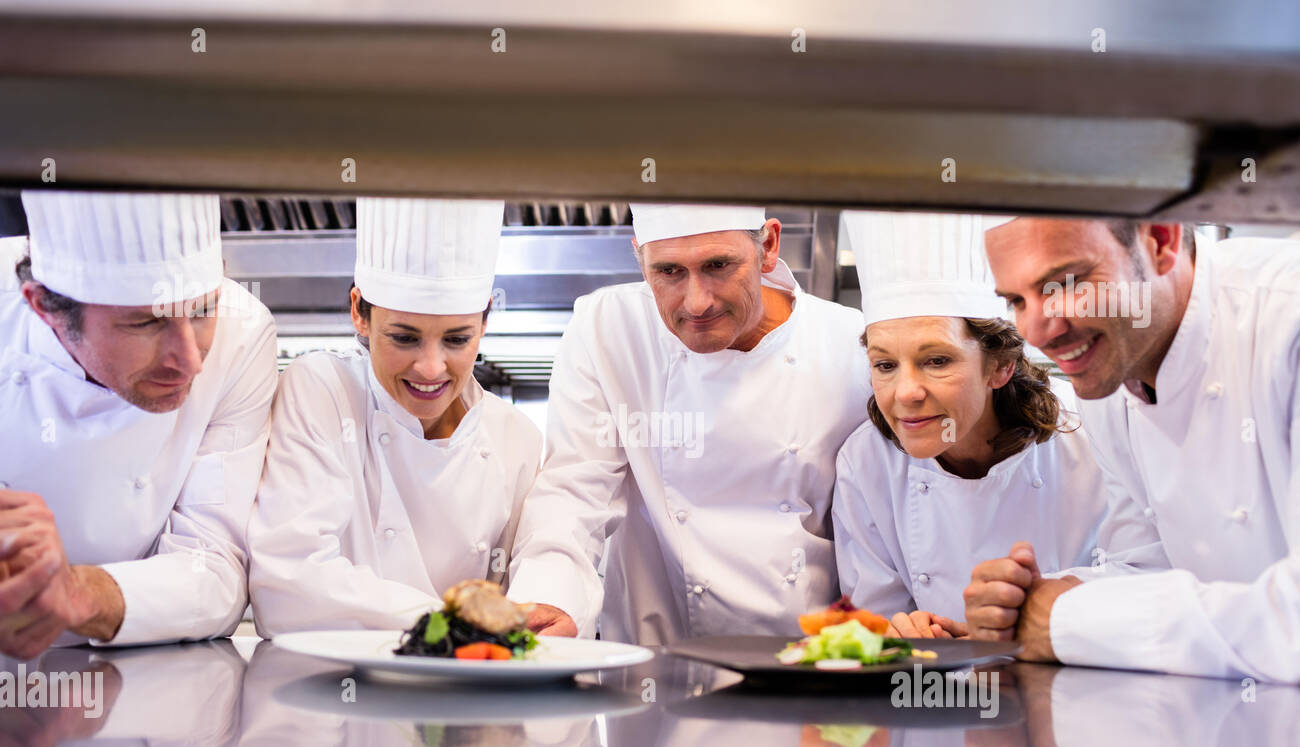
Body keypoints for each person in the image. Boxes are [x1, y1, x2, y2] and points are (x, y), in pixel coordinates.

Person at [507, 203, 871, 644]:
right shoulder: (607, 328)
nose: (697, 302)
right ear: (640, 257)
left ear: (769, 246)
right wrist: (551, 596)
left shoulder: (852, 344)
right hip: (658, 668)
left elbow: (873, 527)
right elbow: (576, 485)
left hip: (810, 663)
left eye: (718, 265)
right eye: (669, 272)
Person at [966, 218, 1300, 682]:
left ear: (1160, 240)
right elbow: (1147, 566)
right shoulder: (1109, 380)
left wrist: (1068, 621)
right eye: (1017, 301)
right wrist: (1033, 601)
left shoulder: (1287, 318)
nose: (1037, 332)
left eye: (1066, 284)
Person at [0, 191, 277, 660]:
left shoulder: (244, 334)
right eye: (146, 323)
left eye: (202, 310)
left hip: (126, 671)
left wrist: (76, 593)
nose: (190, 360)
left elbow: (212, 568)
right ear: (44, 308)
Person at [247, 198, 542, 636]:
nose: (430, 368)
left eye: (457, 339)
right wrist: (454, 626)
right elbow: (288, 587)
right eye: (404, 338)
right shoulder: (324, 389)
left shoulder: (514, 437)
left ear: (484, 325)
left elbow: (519, 606)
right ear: (358, 312)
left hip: (465, 692)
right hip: (331, 695)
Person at [833, 212, 1106, 638]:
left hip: (1072, 692)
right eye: (885, 365)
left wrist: (1029, 623)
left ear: (999, 367)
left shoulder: (1092, 440)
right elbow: (873, 625)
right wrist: (903, 636)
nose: (906, 392)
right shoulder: (865, 462)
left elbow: (1141, 587)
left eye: (936, 361)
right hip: (930, 698)